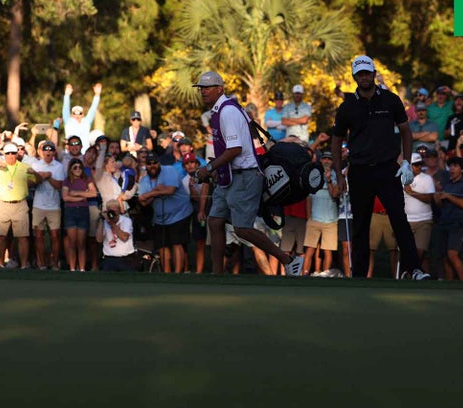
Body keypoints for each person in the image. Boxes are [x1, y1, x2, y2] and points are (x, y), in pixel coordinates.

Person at [192, 71, 302, 276]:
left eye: (207, 88)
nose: (203, 92)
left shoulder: (227, 112)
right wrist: (217, 170)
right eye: (201, 88)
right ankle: (217, 276)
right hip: (232, 176)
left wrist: (209, 168)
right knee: (215, 221)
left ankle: (289, 260)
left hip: (245, 175)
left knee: (242, 229)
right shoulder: (220, 110)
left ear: (220, 89)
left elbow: (235, 149)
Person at [330, 55, 430, 280]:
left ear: (374, 74)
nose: (364, 77)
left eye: (367, 73)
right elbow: (336, 141)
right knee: (361, 226)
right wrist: (339, 173)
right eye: (360, 74)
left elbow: (406, 131)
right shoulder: (347, 107)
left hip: (387, 169)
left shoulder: (390, 100)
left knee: (399, 219)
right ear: (354, 76)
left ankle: (414, 269)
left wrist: (405, 161)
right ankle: (359, 275)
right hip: (360, 170)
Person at [0, 141, 42, 269]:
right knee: (1, 235)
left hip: (20, 205)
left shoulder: (24, 166)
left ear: (17, 154)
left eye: (13, 153)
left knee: (22, 237)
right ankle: (0, 263)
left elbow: (38, 181)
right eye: (8, 153)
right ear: (4, 154)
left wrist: (35, 173)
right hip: (2, 204)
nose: (10, 155)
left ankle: (24, 265)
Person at [138, 154, 192, 273]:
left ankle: (178, 273)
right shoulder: (144, 180)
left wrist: (151, 194)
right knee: (162, 246)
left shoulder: (169, 170)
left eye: (155, 163)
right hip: (160, 218)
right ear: (146, 166)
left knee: (177, 243)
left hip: (179, 213)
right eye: (149, 163)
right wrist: (156, 191)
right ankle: (166, 274)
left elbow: (170, 190)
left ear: (159, 163)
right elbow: (143, 201)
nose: (152, 166)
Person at [434, 157, 463, 280]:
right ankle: (450, 285)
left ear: (462, 169)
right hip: (444, 222)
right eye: (451, 166)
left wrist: (449, 197)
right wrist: (438, 197)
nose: (452, 169)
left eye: (455, 166)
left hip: (457, 223)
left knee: (452, 254)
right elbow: (441, 205)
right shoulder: (448, 184)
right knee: (445, 256)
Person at [30, 140, 65, 270]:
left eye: (50, 150)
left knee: (55, 235)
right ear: (42, 152)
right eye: (46, 150)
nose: (48, 152)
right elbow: (30, 183)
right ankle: (41, 263)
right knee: (38, 235)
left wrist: (48, 176)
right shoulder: (36, 165)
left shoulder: (58, 166)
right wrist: (40, 177)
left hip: (54, 206)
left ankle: (55, 263)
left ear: (54, 152)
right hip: (38, 205)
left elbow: (59, 186)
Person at [303, 151, 339, 276]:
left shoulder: (336, 175)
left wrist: (329, 180)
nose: (327, 161)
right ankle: (304, 274)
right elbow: (309, 198)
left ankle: (325, 276)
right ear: (320, 160)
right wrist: (309, 218)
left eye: (330, 159)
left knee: (328, 251)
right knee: (310, 250)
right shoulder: (315, 174)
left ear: (333, 162)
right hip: (315, 219)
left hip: (331, 220)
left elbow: (334, 194)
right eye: (324, 159)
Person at [62, 157, 97, 271]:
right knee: (72, 243)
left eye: (80, 167)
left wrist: (76, 193)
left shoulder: (87, 179)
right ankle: (72, 268)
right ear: (70, 169)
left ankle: (81, 269)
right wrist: (82, 197)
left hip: (83, 211)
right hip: (70, 212)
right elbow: (65, 197)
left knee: (81, 243)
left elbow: (93, 193)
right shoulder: (67, 180)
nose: (78, 169)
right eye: (75, 167)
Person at [403, 152, 435, 273]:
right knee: (407, 251)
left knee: (420, 251)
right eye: (415, 165)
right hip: (407, 221)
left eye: (419, 164)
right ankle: (412, 274)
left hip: (423, 220)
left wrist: (412, 192)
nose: (418, 167)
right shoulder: (402, 178)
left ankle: (413, 273)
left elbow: (429, 198)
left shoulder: (426, 179)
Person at [96, 200, 135, 272]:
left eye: (115, 211)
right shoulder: (104, 221)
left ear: (119, 210)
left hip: (125, 259)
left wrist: (112, 224)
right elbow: (99, 240)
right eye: (111, 211)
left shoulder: (126, 221)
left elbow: (124, 237)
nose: (113, 214)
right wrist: (101, 220)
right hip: (109, 259)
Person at [61, 82, 101, 151]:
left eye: (79, 113)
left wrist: (97, 95)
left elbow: (93, 109)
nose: (77, 115)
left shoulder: (86, 121)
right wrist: (67, 95)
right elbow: (65, 108)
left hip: (84, 153)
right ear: (71, 114)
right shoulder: (68, 121)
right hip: (70, 153)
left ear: (83, 115)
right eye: (74, 113)